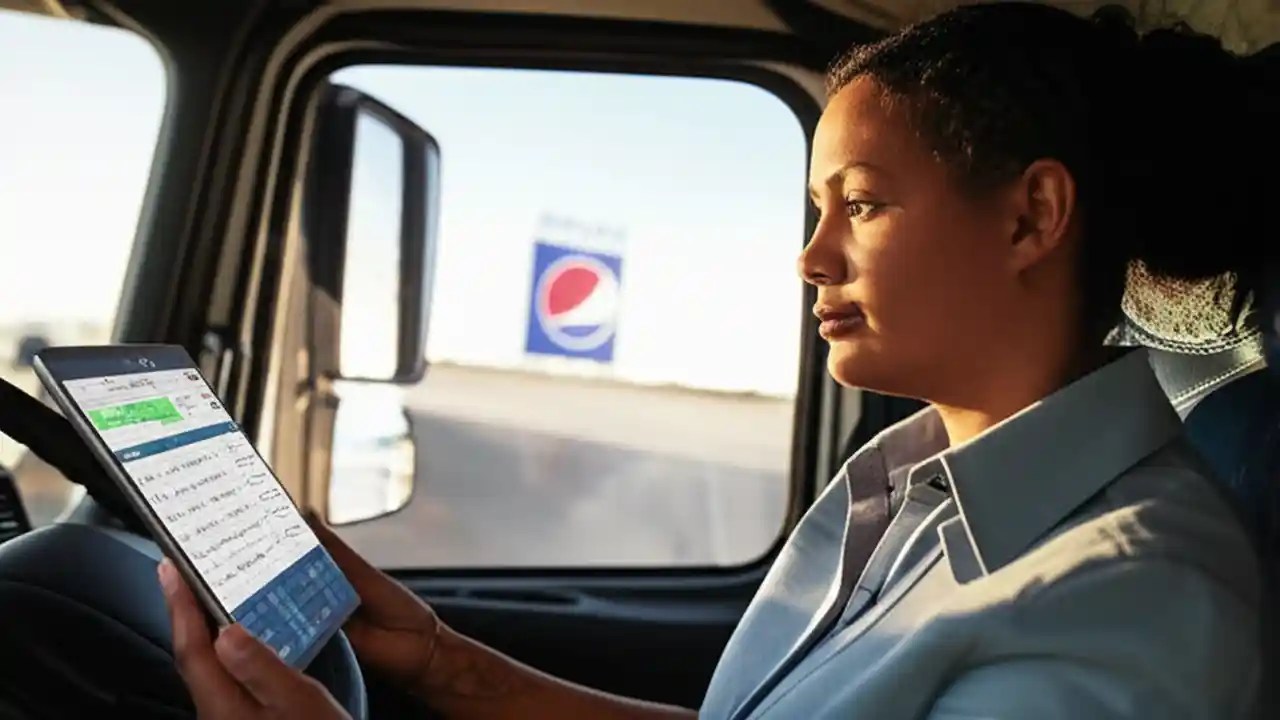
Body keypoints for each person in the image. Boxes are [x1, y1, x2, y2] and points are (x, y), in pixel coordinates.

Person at [157, 3, 1277, 718]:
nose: (809, 257)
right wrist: (447, 664)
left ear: (1031, 217)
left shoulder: (1130, 606)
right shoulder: (912, 485)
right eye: (812, 209)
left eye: (864, 205)